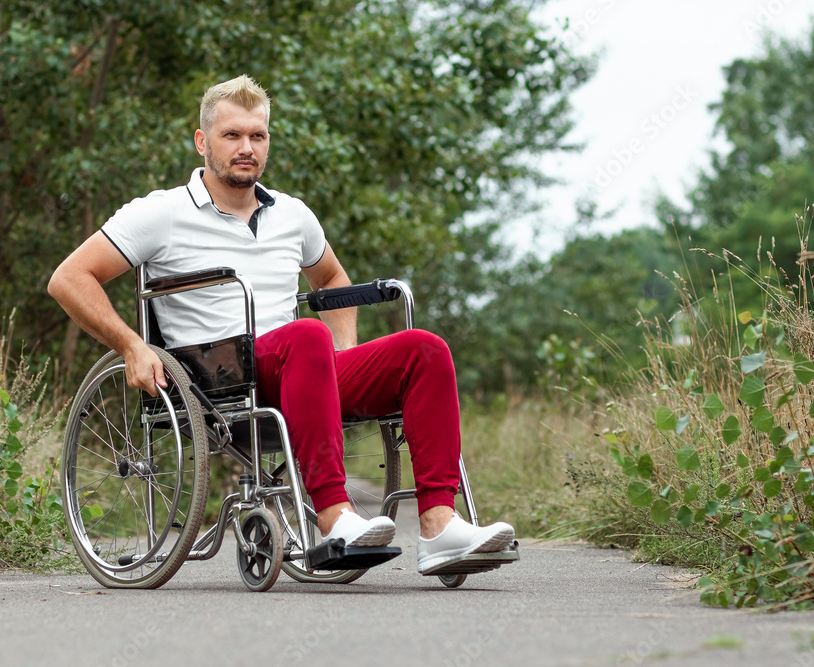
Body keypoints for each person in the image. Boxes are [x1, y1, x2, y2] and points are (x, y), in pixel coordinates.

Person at [48, 74, 514, 574]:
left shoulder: (291, 214)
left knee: (424, 348)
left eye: (258, 136)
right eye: (232, 136)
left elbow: (332, 278)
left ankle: (440, 527)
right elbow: (69, 278)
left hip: (302, 362)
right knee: (305, 334)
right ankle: (336, 518)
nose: (246, 147)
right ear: (203, 141)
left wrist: (342, 352)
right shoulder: (161, 212)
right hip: (215, 376)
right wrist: (131, 345)